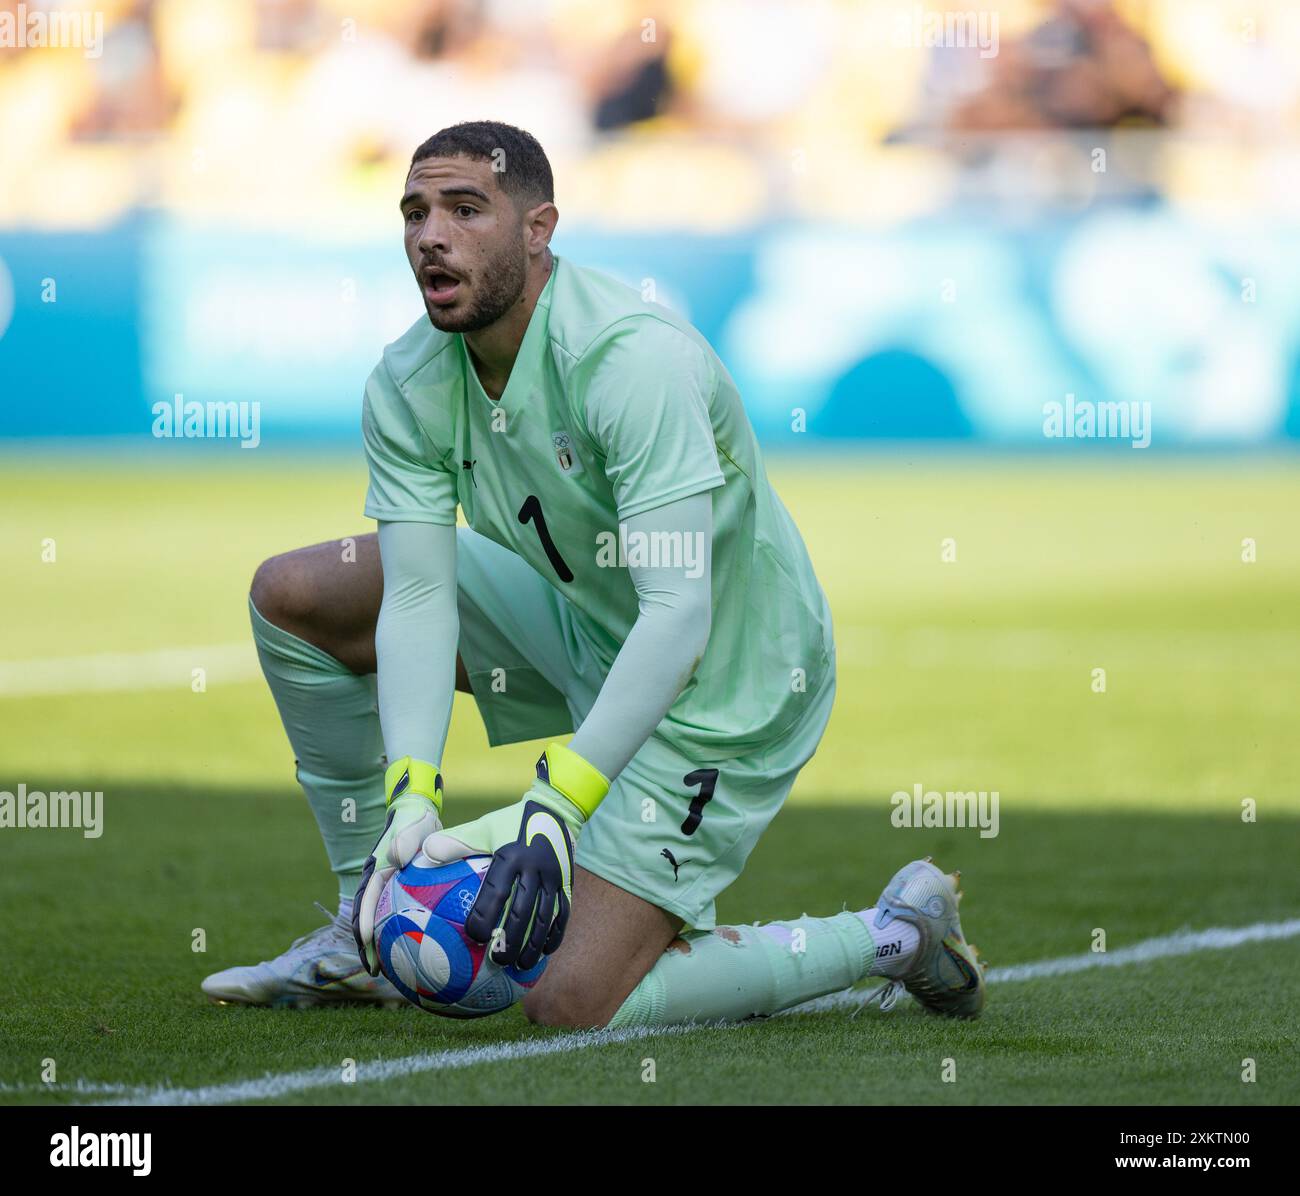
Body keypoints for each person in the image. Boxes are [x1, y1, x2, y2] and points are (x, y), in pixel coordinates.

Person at [201, 120, 985, 1026]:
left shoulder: (629, 358)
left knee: (568, 1005)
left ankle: (892, 936)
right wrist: (413, 793)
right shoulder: (407, 380)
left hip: (725, 683)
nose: (430, 235)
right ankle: (368, 923)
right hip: (585, 624)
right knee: (297, 595)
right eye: (414, 212)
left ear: (540, 229)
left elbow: (679, 613)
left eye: (465, 209)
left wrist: (558, 806)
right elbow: (418, 592)